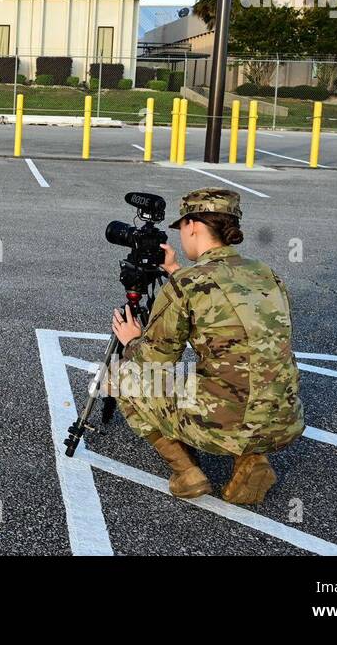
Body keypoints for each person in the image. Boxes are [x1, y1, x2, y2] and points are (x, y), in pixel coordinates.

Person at [109, 187, 304, 504]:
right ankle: (251, 460)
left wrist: (132, 340)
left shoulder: (187, 285)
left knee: (122, 377)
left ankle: (188, 472)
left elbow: (156, 360)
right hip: (284, 419)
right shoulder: (266, 273)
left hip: (226, 421)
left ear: (193, 226)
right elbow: (222, 295)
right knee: (244, 375)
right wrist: (174, 271)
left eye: (181, 228)